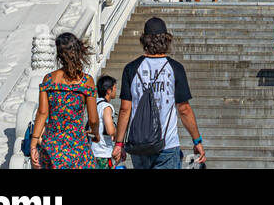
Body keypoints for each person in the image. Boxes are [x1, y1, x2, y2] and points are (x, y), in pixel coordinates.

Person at [113, 16, 205, 169]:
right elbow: (184, 109)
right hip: (167, 145)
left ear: (144, 41)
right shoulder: (175, 68)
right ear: (166, 40)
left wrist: (119, 144)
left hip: (139, 145)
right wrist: (197, 141)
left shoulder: (131, 68)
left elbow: (125, 109)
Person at [30, 32, 98, 170]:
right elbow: (93, 119)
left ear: (59, 54)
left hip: (52, 147)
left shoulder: (49, 79)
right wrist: (96, 133)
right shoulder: (86, 81)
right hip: (77, 147)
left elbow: (42, 113)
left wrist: (33, 144)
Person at [91, 75, 117, 168]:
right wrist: (116, 131)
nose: (116, 90)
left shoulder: (95, 104)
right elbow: (110, 131)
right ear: (109, 91)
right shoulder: (106, 107)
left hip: (93, 151)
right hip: (103, 153)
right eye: (114, 87)